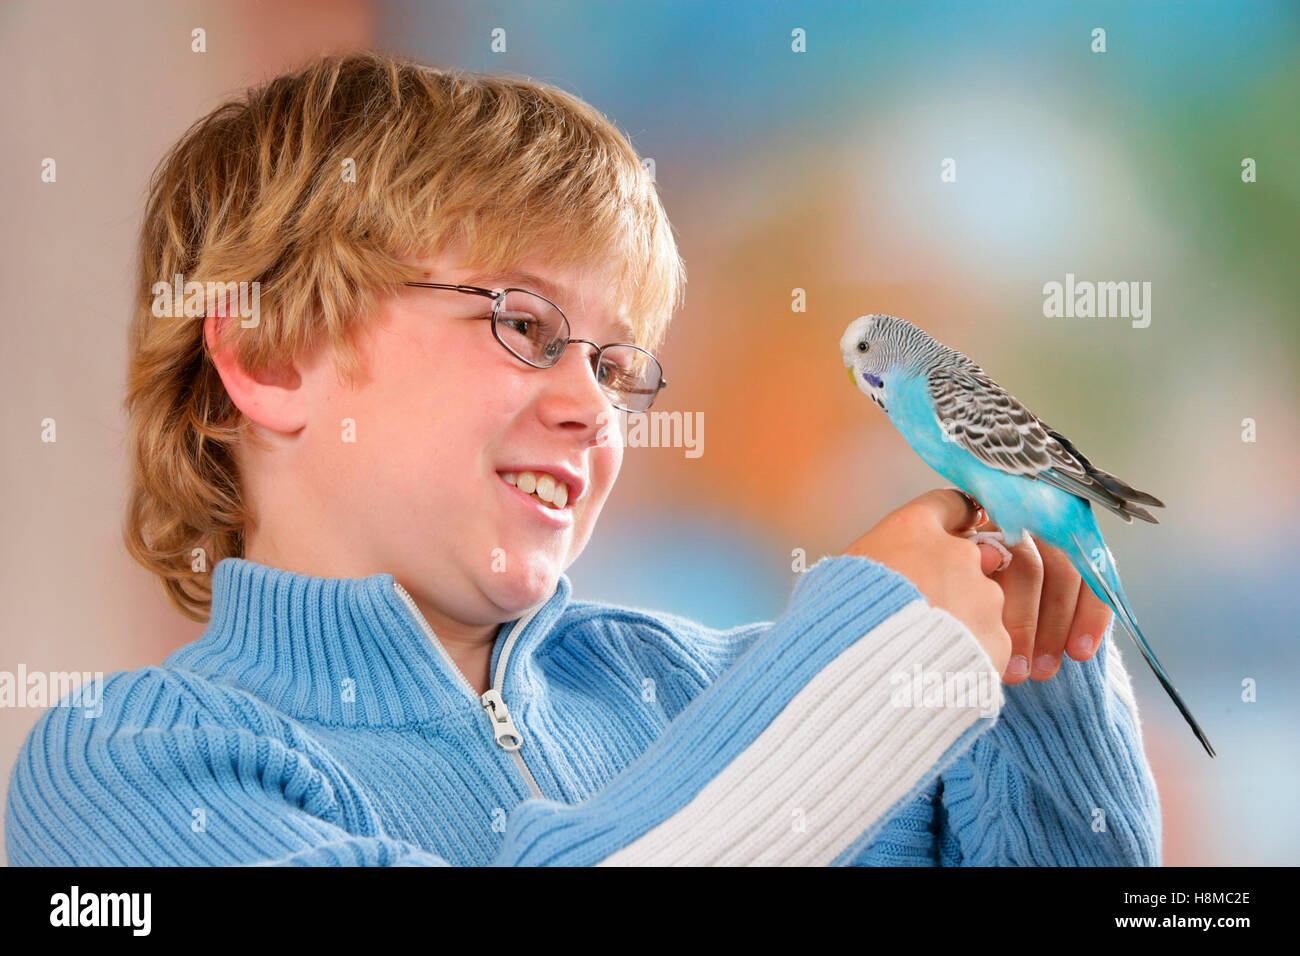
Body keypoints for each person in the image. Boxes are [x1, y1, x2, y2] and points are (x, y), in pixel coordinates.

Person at [4, 51, 1159, 866]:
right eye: (525, 326)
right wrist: (860, 666)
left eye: (618, 366)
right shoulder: (126, 773)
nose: (592, 411)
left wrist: (1041, 670)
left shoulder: (725, 681)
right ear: (268, 354)